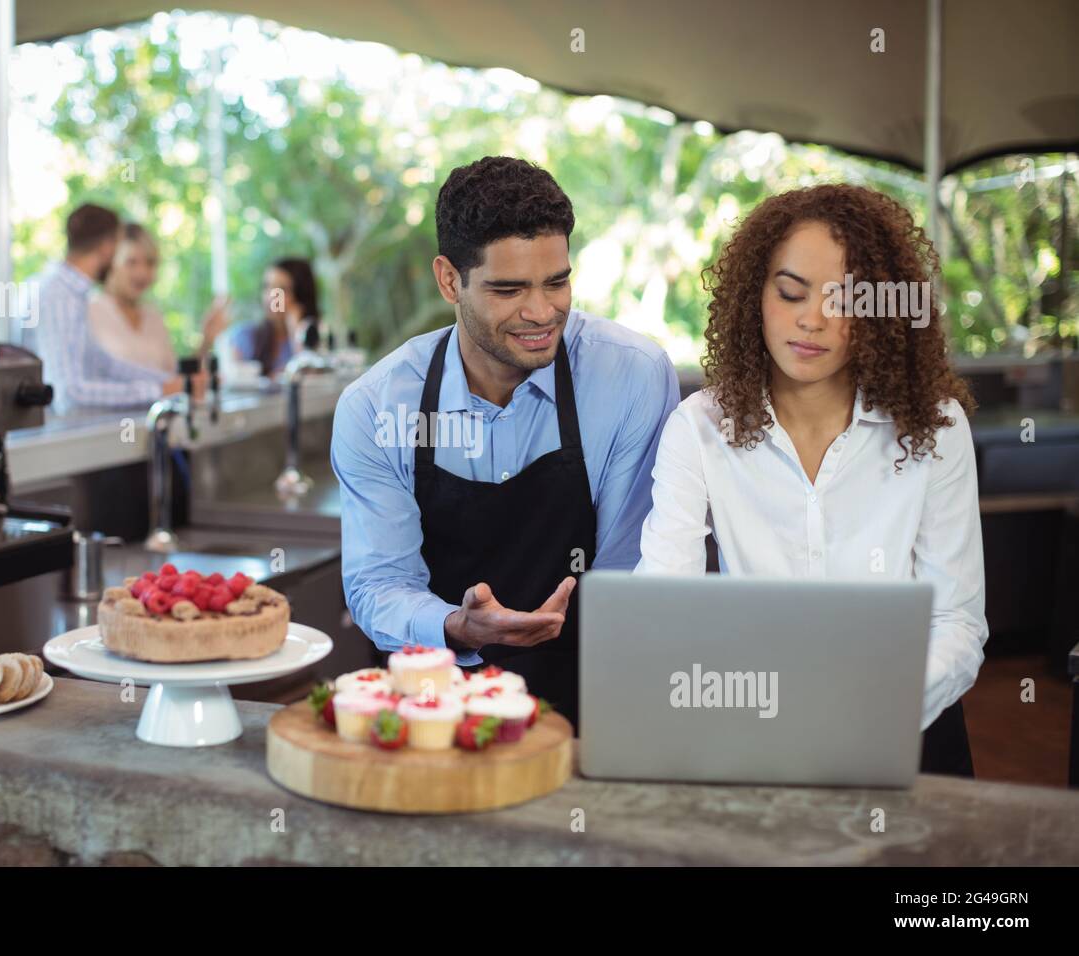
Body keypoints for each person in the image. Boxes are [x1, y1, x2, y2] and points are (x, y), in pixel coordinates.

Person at [633, 183, 987, 776]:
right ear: (755, 295)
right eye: (790, 292)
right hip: (758, 723)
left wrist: (864, 707)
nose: (812, 319)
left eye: (843, 299)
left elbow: (955, 621)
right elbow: (664, 606)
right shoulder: (700, 429)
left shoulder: (934, 427)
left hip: (906, 724)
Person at [332, 156, 679, 730]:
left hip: (591, 692)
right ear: (450, 280)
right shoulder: (376, 406)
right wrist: (456, 626)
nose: (542, 312)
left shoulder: (632, 376)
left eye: (557, 281)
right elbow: (378, 584)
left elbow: (631, 577)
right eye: (508, 288)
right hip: (432, 703)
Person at [22, 204, 197, 412]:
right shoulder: (60, 297)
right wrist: (157, 390)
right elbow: (68, 394)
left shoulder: (71, 294)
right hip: (59, 437)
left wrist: (173, 382)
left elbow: (102, 363)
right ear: (107, 246)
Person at [89, 222, 227, 375]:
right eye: (131, 262)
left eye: (150, 262)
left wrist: (206, 341)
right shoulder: (90, 311)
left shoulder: (153, 315)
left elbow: (174, 380)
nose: (142, 272)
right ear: (110, 264)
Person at [224, 258, 320, 377]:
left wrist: (295, 330)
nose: (271, 297)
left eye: (282, 290)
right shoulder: (245, 336)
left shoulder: (317, 340)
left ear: (300, 297)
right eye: (267, 286)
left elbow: (312, 381)